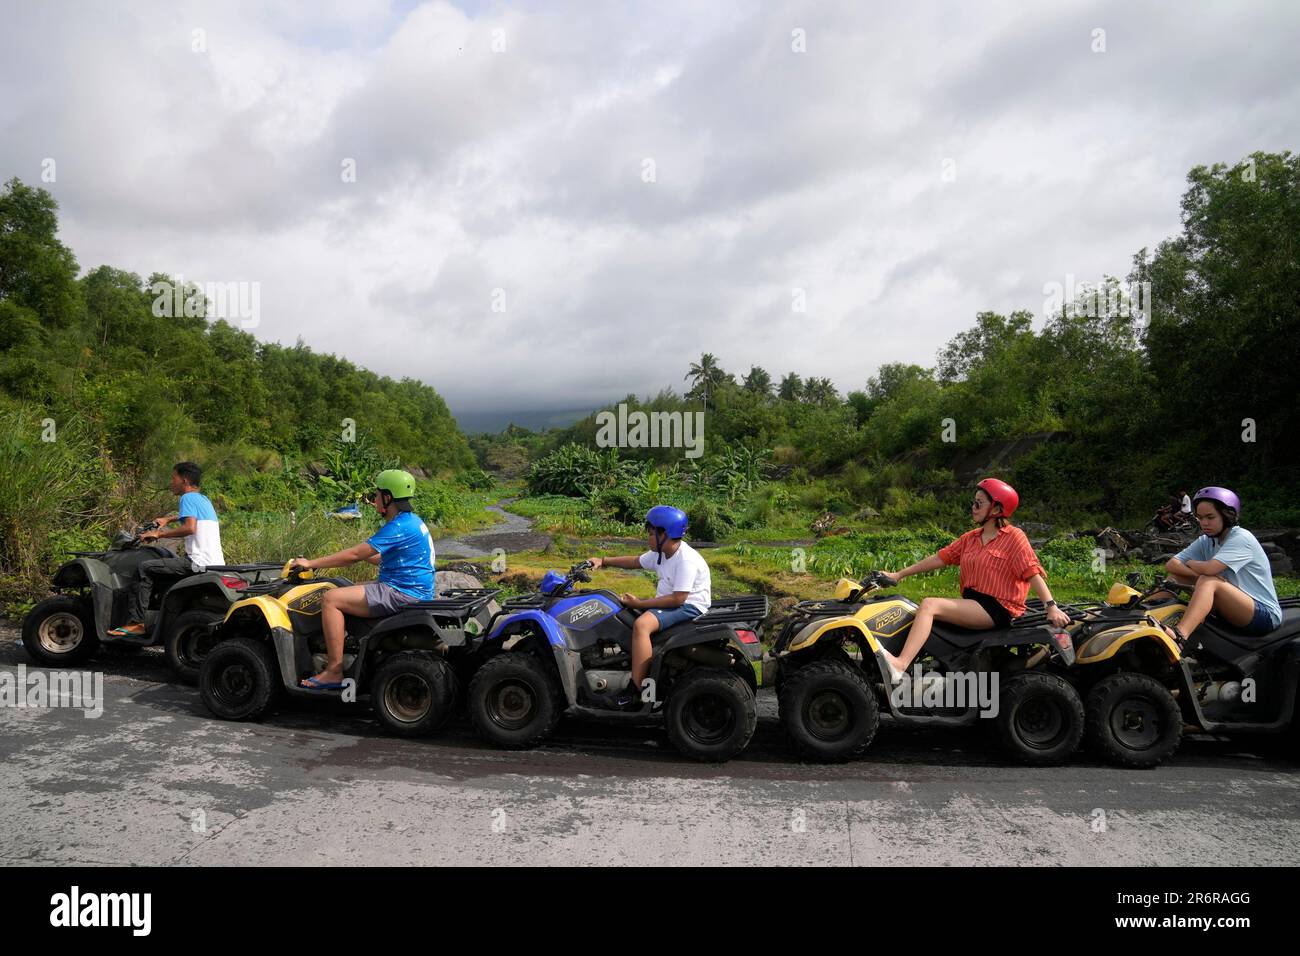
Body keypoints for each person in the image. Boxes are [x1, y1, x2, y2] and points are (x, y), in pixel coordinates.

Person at [877, 478, 1070, 681]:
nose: (973, 507)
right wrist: (898, 575)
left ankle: (900, 665)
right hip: (974, 603)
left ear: (996, 509)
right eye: (973, 502)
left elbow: (1032, 572)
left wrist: (1051, 606)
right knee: (912, 611)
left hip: (997, 607)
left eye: (979, 503)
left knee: (929, 605)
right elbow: (940, 558)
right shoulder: (971, 538)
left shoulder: (1014, 537)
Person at [290, 470, 434, 689]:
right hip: (411, 588)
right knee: (346, 587)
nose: (374, 500)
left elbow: (354, 556)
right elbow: (383, 558)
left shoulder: (398, 526)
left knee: (331, 599)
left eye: (376, 496)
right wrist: (362, 555)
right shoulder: (412, 521)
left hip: (401, 592)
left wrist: (311, 563)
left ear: (388, 498)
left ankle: (334, 671)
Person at [586, 505, 711, 708]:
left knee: (642, 625)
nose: (648, 537)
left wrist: (641, 604)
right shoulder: (663, 552)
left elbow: (678, 599)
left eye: (651, 533)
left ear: (665, 534)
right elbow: (636, 561)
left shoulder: (686, 560)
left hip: (690, 605)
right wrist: (603, 561)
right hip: (674, 602)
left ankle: (637, 692)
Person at [111, 461, 224, 636]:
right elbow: (190, 517)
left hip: (196, 563)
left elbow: (190, 528)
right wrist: (168, 520)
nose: (171, 482)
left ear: (184, 480)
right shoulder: (202, 499)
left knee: (144, 569)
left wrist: (159, 534)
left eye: (174, 478)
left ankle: (136, 624)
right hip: (215, 563)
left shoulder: (186, 498)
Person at [1161, 486, 1281, 645]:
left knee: (1209, 580)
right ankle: (1145, 616)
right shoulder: (1207, 540)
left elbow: (1210, 570)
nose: (1204, 523)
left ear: (1227, 516)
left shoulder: (1241, 538)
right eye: (1200, 518)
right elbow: (1172, 565)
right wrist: (1197, 576)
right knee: (1176, 577)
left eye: (1210, 517)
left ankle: (1180, 635)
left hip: (1264, 615)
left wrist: (1191, 563)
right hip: (1231, 604)